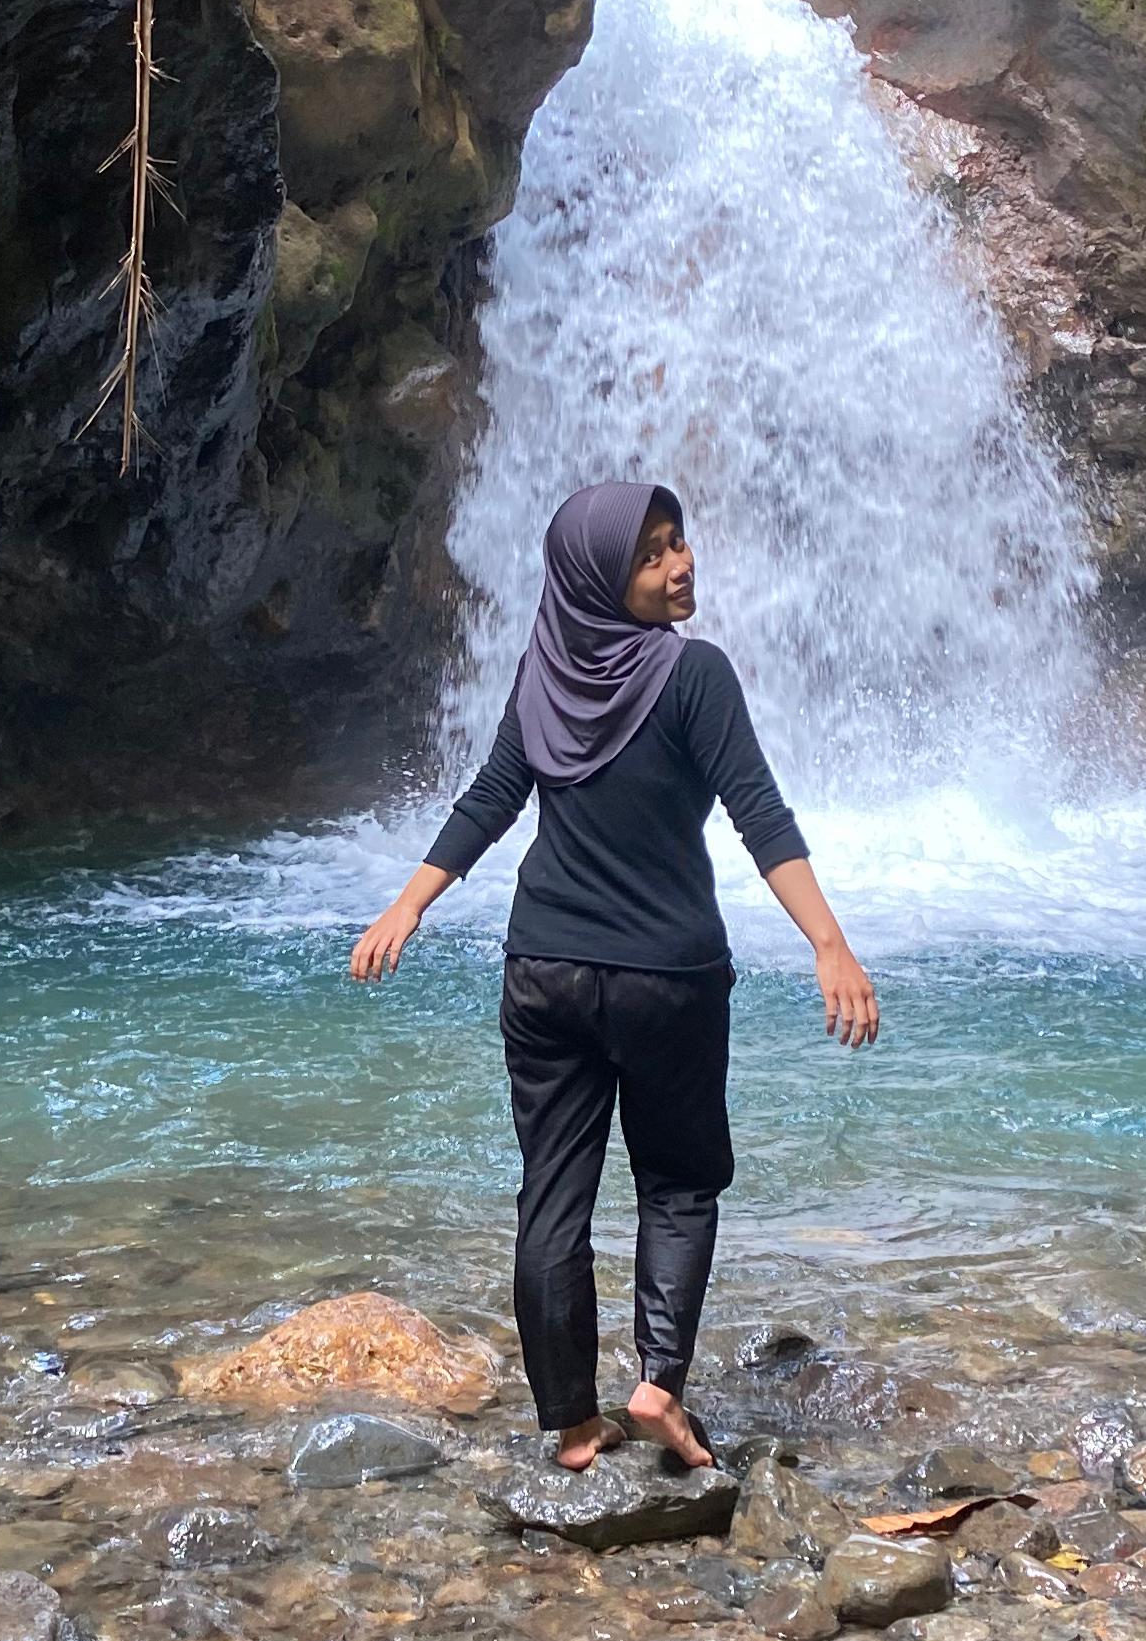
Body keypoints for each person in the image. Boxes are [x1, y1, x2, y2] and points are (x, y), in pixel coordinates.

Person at [349, 481, 879, 1471]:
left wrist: (409, 904)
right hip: (665, 977)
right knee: (678, 1181)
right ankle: (655, 1387)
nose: (679, 565)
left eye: (678, 542)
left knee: (552, 1194)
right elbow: (760, 813)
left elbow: (493, 794)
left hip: (543, 969)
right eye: (651, 555)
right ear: (601, 574)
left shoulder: (545, 671)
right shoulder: (694, 676)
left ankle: (571, 1426)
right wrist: (827, 942)